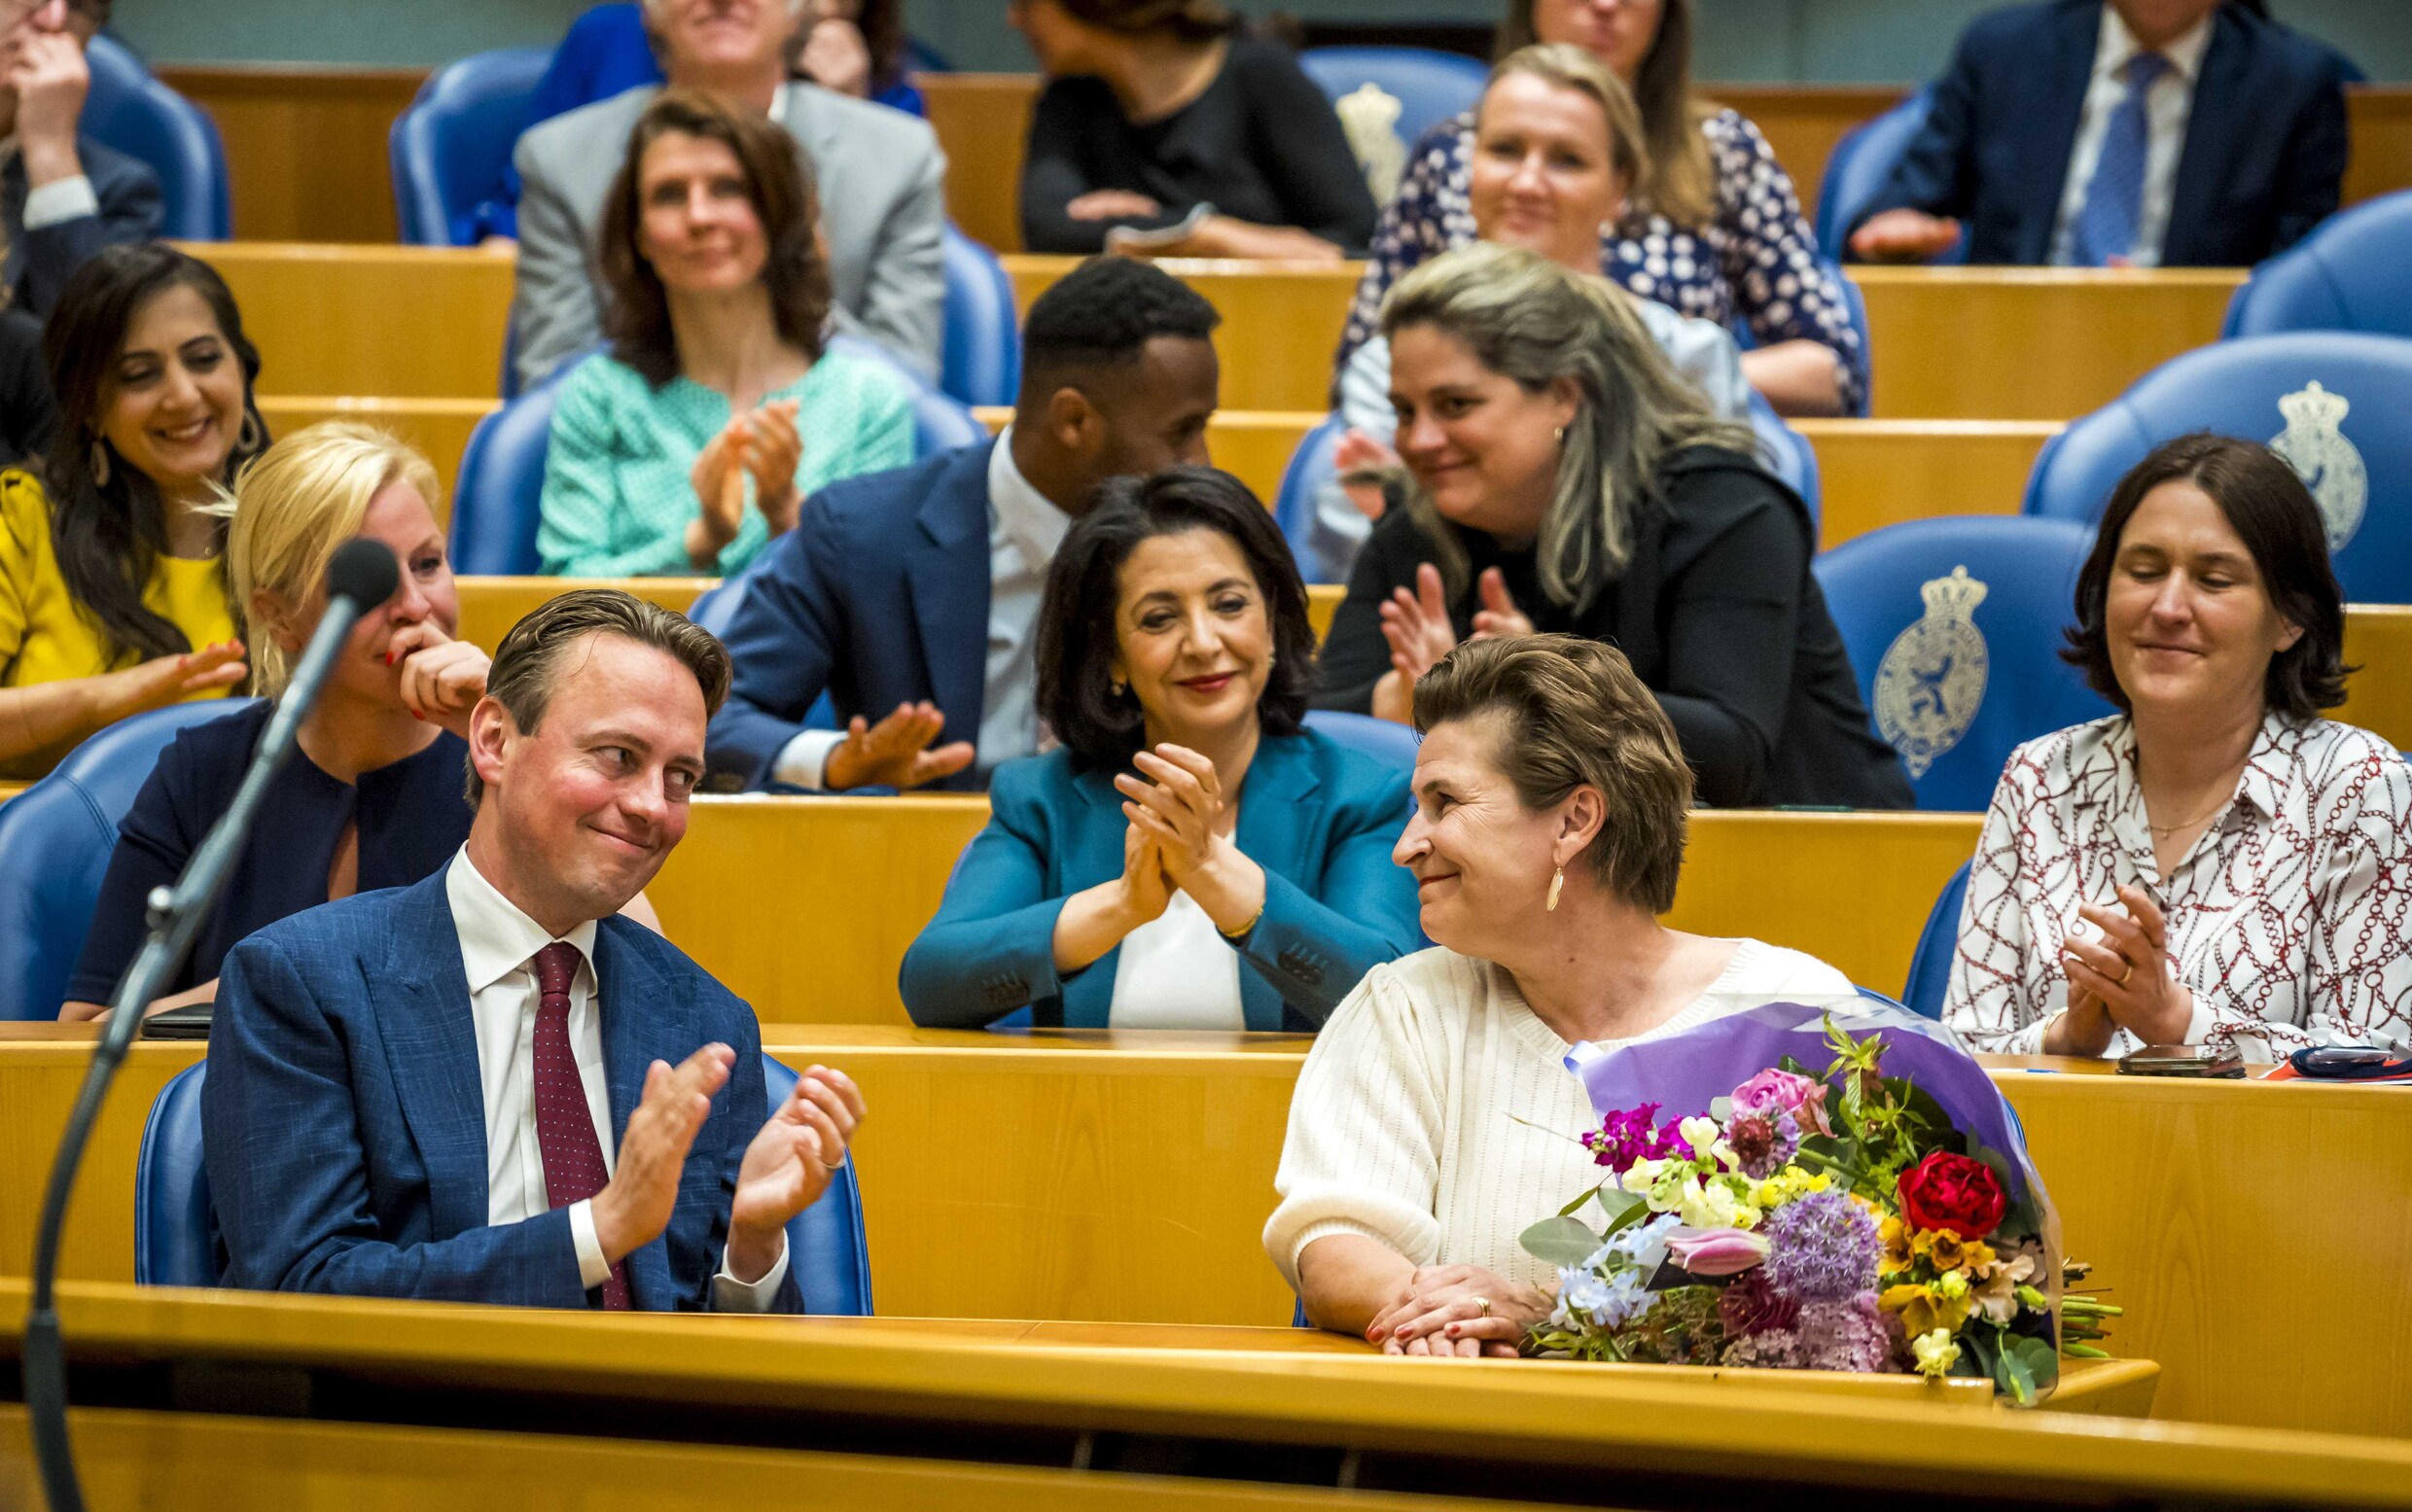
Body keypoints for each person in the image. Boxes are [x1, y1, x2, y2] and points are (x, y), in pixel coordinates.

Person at [204, 588, 867, 1311]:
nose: (653, 805)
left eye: (680, 777)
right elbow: (302, 1290)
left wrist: (752, 1246)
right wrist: (597, 1230)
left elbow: (740, 1381)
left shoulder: (707, 1021)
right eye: (619, 756)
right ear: (492, 741)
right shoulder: (305, 982)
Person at [1265, 633, 1863, 1352]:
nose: (1406, 844)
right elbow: (1337, 1239)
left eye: (1444, 802)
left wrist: (1556, 1314)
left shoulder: (1795, 1007)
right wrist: (1443, 1311)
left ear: (1575, 819)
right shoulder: (1404, 1006)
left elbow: (1840, 1284)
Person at [1314, 245, 1910, 811]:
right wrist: (1393, 703)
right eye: (1405, 411)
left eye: (1456, 406)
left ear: (1564, 397)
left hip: (1803, 857)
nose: (1419, 441)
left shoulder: (1724, 509)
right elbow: (1312, 720)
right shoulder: (1416, 526)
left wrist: (1533, 682)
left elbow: (1730, 753)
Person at [899, 467, 1419, 1031]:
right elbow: (931, 983)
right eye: (1159, 618)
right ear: (1112, 654)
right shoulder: (1044, 800)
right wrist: (1122, 906)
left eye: (1228, 605)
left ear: (1271, 622)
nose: (1202, 642)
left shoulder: (1360, 796)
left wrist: (1213, 872)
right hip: (1087, 1117)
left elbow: (1388, 997)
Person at [1944, 435, 2412, 1061]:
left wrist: (2177, 1021)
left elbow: (2383, 1063)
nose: (2167, 607)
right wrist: (2068, 1036)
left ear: (2290, 619)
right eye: (2142, 571)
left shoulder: (2361, 788)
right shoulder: (2040, 778)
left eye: (2214, 580)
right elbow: (1960, 1053)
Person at [705, 254, 1221, 792]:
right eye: (1182, 432)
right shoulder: (862, 533)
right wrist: (838, 762)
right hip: (930, 859)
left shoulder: (1206, 545)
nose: (1201, 462)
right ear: (1073, 421)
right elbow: (715, 716)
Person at [59, 425, 493, 1020]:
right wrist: (269, 983)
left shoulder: (501, 760)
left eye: (428, 564)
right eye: (368, 584)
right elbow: (81, 1037)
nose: (417, 607)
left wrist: (516, 745)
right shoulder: (203, 772)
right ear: (278, 617)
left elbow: (630, 972)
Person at [1314, 44, 1752, 583]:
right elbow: (1352, 568)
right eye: (1504, 150)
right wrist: (1393, 527)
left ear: (1620, 188)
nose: (1526, 182)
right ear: (1468, 171)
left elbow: (1727, 555)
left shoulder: (1691, 356)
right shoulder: (1389, 365)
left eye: (1566, 159)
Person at [1333, 0, 1862, 417]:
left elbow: (1831, 371)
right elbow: (1368, 367)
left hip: (1666, 445)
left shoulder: (1722, 152)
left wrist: (1656, 376)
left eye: (1568, 161)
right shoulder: (1448, 155)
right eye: (1505, 150)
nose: (1606, 5)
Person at [538, 89, 915, 578]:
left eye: (727, 189)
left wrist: (786, 516)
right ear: (639, 235)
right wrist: (704, 538)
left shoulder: (869, 402)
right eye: (669, 195)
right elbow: (560, 595)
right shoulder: (598, 397)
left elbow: (882, 595)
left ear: (774, 215)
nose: (700, 216)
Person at [512, 0, 945, 392]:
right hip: (628, 449)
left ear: (801, 10)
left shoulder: (898, 158)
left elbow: (909, 383)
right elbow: (552, 384)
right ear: (648, 9)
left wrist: (796, 273)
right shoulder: (560, 162)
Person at [0, 244, 266, 780]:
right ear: (90, 408)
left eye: (204, 359)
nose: (184, 395)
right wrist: (105, 701)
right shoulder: (23, 519)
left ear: (241, 368)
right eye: (140, 375)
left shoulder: (301, 532)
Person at [1848, 0, 2352, 267]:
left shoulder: (2295, 84)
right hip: (2012, 339)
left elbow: (2297, 276)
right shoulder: (2003, 51)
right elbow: (1906, 201)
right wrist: (1893, 231)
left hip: (2195, 358)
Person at [1012, 0, 1376, 260]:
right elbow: (1048, 229)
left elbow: (1358, 242)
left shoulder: (1261, 73)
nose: (1014, 20)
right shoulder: (1069, 99)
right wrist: (1207, 234)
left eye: (1026, 4)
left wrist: (1136, 233)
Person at [0, 0, 160, 316]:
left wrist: (50, 151)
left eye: (79, 5)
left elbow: (91, 352)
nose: (53, 19)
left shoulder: (120, 193)